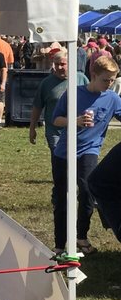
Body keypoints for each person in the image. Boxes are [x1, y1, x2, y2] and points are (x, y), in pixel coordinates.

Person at [49, 55, 121, 255]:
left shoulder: (113, 99)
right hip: (64, 152)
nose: (109, 84)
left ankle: (81, 237)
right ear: (93, 75)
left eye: (112, 80)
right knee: (62, 197)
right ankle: (59, 244)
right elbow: (56, 119)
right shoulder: (73, 93)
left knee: (88, 192)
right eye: (105, 79)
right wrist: (76, 120)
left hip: (90, 150)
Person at [30, 50, 87, 153]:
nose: (59, 67)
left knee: (77, 163)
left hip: (78, 130)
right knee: (59, 161)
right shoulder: (46, 83)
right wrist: (32, 128)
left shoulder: (81, 79)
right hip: (55, 132)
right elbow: (37, 106)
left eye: (63, 64)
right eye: (57, 64)